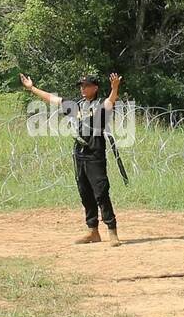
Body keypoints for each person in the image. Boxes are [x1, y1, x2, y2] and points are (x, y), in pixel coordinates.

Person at [20, 71, 123, 246]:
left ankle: (112, 231)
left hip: (95, 154)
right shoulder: (75, 105)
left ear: (95, 88)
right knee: (85, 193)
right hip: (79, 154)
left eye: (86, 86)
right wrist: (32, 88)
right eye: (81, 86)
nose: (83, 88)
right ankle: (92, 231)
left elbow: (110, 101)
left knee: (101, 193)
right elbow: (52, 99)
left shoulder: (100, 105)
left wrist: (114, 88)